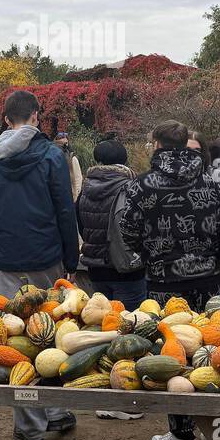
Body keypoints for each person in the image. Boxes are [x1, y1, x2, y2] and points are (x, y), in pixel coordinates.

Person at [0, 90, 79, 440]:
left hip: (5, 259)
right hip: (46, 258)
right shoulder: (52, 155)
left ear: (6, 120)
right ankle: (53, 410)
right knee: (50, 333)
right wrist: (72, 259)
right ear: (35, 116)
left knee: (15, 342)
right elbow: (65, 210)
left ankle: (31, 424)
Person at [120, 120, 220, 440]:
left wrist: (151, 253)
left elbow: (128, 230)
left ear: (156, 144)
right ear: (185, 144)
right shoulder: (213, 184)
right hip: (208, 281)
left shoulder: (141, 187)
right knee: (215, 350)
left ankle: (182, 433)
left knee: (176, 356)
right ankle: (218, 433)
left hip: (165, 283)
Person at [75, 139, 145, 422]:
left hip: (96, 266)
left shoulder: (86, 189)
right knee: (131, 328)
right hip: (127, 268)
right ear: (124, 160)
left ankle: (104, 387)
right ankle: (128, 395)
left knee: (103, 327)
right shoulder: (130, 188)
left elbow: (81, 224)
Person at [53, 131, 83, 200]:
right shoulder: (51, 158)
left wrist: (76, 195)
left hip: (70, 195)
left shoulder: (72, 159)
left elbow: (78, 178)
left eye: (65, 143)